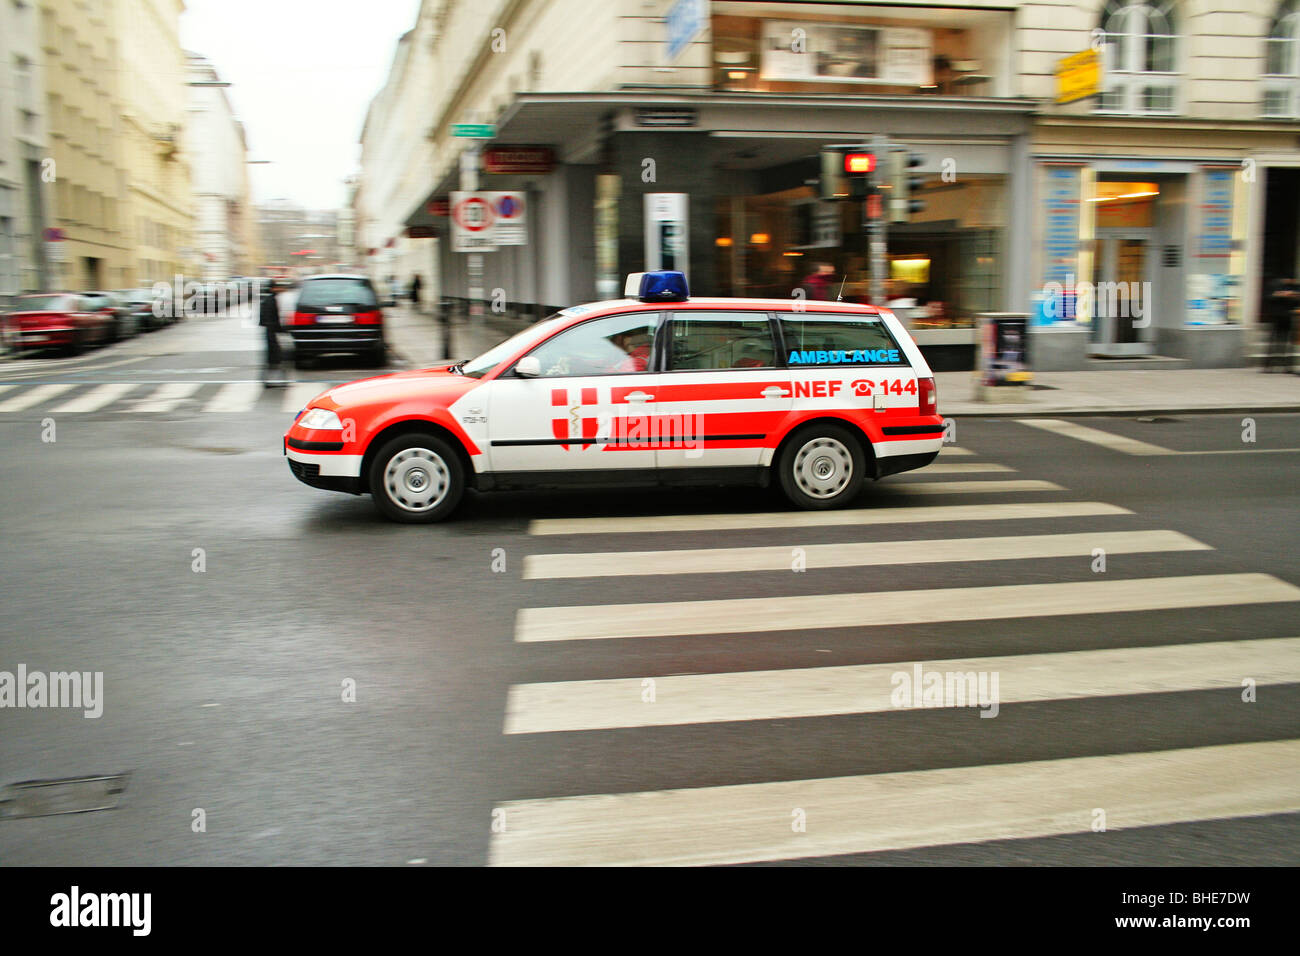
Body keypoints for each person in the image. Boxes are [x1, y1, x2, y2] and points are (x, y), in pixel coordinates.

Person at [1264, 277, 1296, 372]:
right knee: (1274, 342)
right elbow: (1269, 297)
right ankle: (1269, 366)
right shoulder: (1274, 285)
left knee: (1287, 343)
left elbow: (1295, 301)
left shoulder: (1292, 287)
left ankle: (1286, 366)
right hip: (1277, 317)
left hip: (1287, 317)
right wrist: (1280, 295)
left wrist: (1292, 296)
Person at [259, 277, 286, 387]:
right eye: (277, 287)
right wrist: (280, 329)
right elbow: (274, 318)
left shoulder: (266, 300)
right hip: (271, 332)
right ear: (273, 288)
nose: (279, 289)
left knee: (272, 357)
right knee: (275, 357)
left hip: (269, 331)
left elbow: (262, 319)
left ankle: (268, 379)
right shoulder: (271, 300)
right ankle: (270, 380)